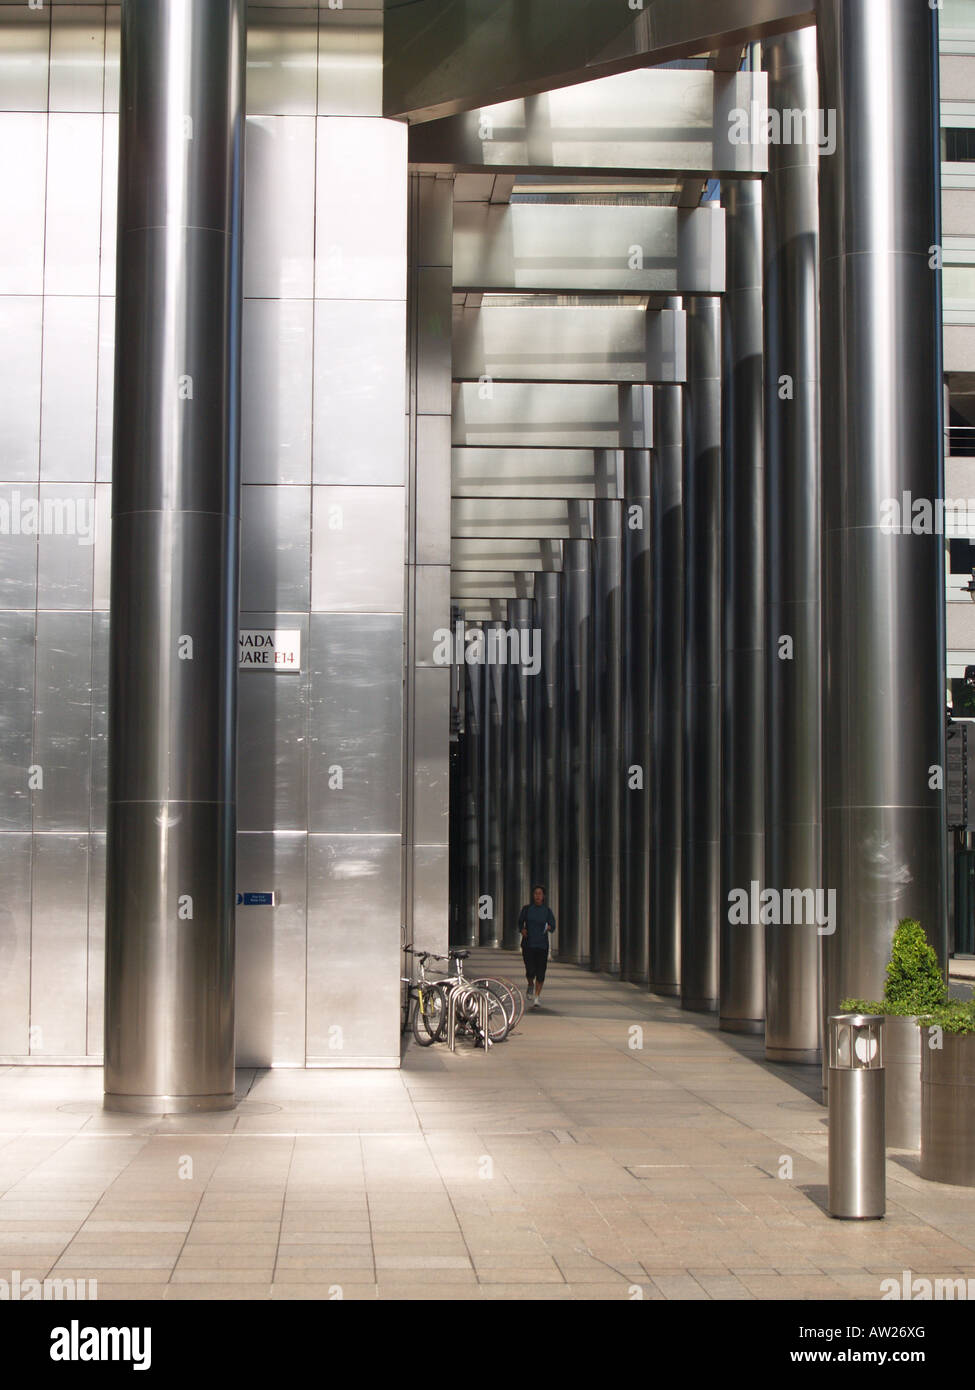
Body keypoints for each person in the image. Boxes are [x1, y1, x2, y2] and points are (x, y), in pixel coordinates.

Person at [518, 885, 556, 1008]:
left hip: (542, 945)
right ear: (533, 896)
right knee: (530, 970)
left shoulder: (547, 911)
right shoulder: (527, 909)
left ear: (543, 896)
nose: (538, 896)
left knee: (541, 972)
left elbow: (553, 925)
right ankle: (530, 984)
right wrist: (522, 929)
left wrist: (549, 927)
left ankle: (537, 997)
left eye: (540, 894)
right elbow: (520, 922)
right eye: (535, 893)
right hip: (529, 944)